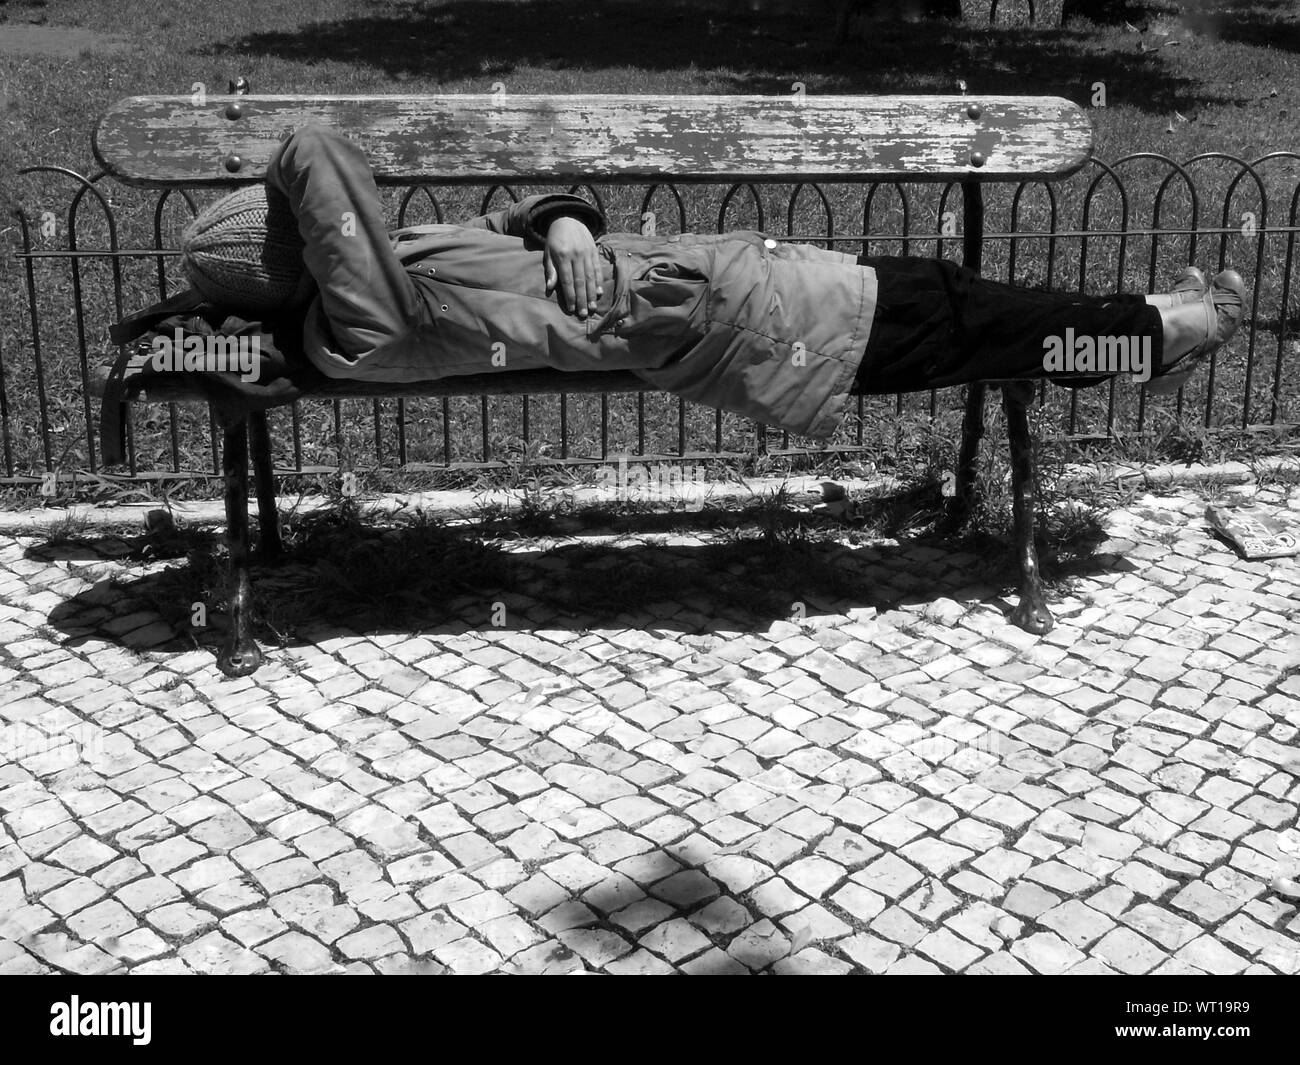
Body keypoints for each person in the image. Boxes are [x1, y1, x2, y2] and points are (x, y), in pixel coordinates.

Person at [221, 122, 1244, 442]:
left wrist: (561, 218)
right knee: (966, 317)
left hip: (745, 288)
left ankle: (1153, 327)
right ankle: (1161, 327)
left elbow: (507, 222)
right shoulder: (359, 328)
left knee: (977, 318)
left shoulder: (401, 261)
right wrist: (276, 189)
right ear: (311, 253)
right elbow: (312, 148)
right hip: (752, 330)